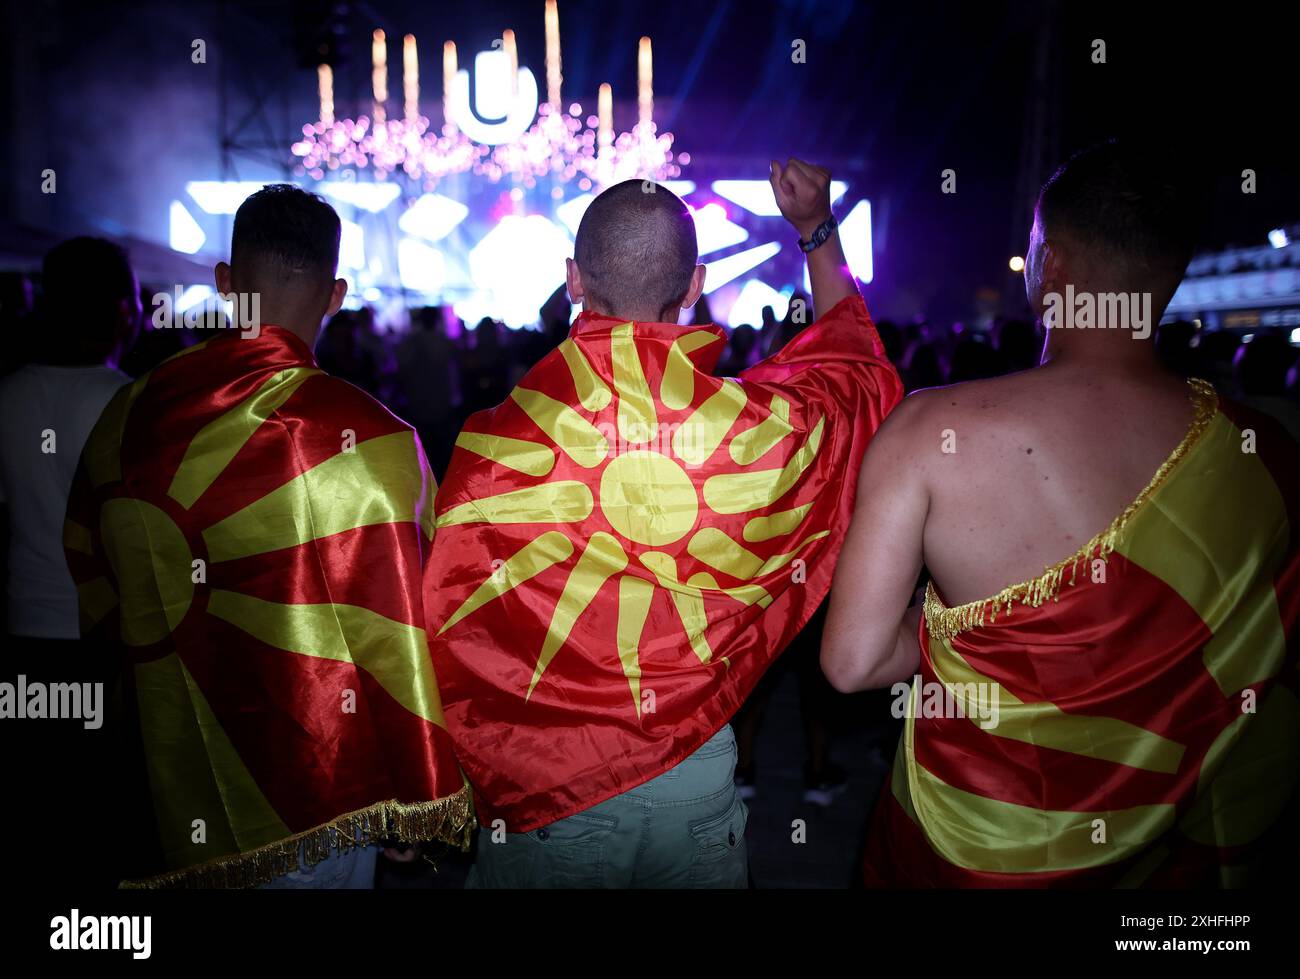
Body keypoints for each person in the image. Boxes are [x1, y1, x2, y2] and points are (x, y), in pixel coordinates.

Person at [822, 140, 1300, 887]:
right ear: (1169, 277)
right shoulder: (1261, 456)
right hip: (1154, 858)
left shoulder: (930, 432)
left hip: (964, 847)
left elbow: (852, 663)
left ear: (1051, 267)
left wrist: (957, 621)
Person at [428, 160, 902, 888]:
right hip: (692, 774)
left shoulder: (495, 446)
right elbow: (857, 372)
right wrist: (816, 232)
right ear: (694, 285)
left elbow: (452, 623)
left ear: (573, 279)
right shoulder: (758, 436)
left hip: (545, 790)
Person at [64, 185, 470, 888]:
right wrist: (418, 790)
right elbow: (400, 637)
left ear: (225, 281)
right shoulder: (370, 440)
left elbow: (96, 584)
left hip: (168, 785)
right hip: (321, 792)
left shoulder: (126, 417)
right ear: (337, 293)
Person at [0, 237, 138, 884]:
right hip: (103, 639)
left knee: (37, 815)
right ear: (122, 310)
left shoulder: (9, 395)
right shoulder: (130, 405)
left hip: (24, 631)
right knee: (103, 821)